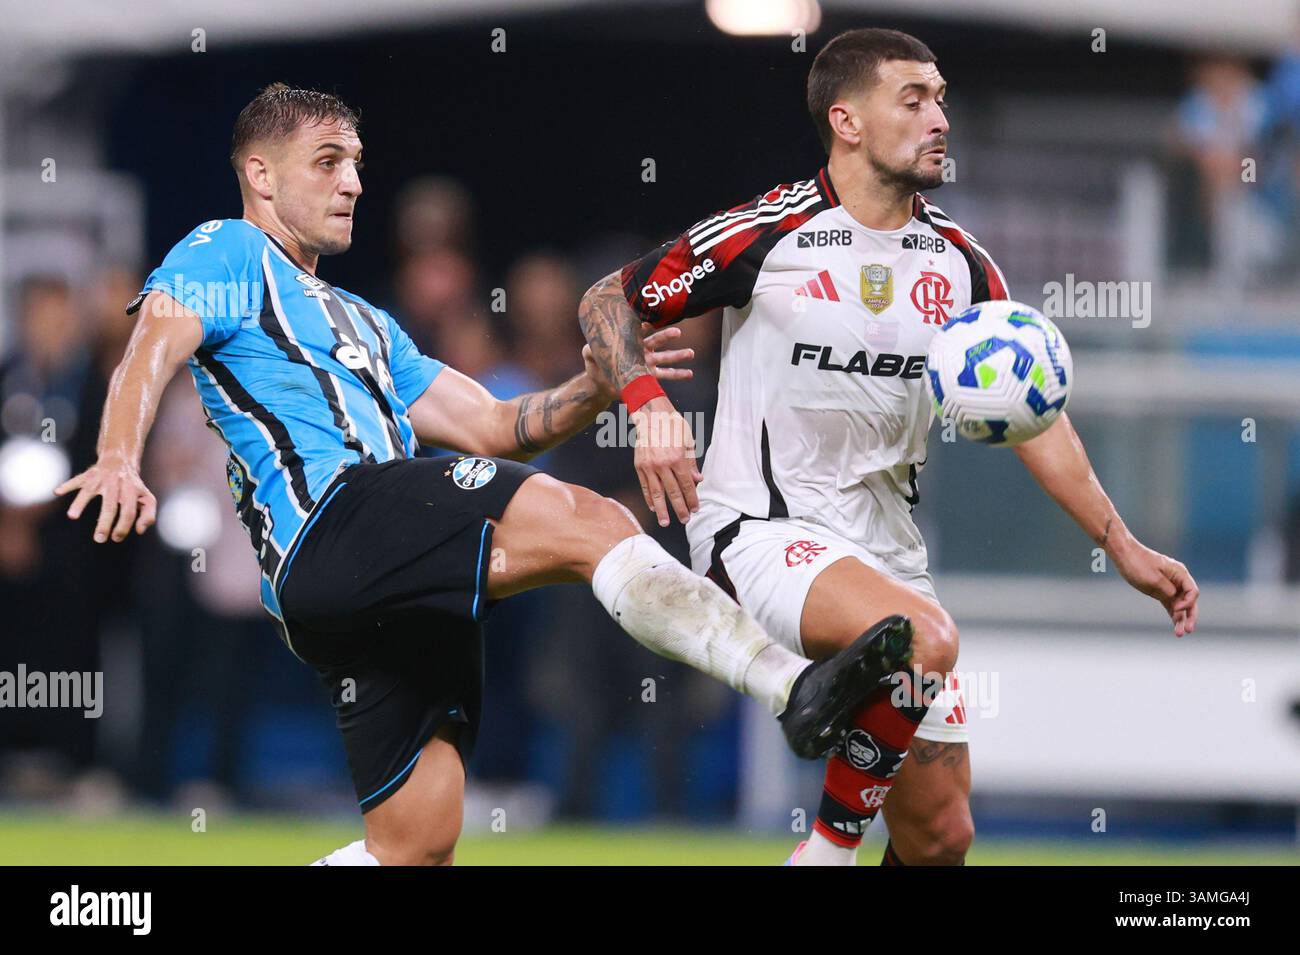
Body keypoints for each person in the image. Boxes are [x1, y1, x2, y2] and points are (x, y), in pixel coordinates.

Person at [54, 83, 911, 865]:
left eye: (356, 163)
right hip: (338, 522)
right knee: (593, 524)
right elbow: (152, 343)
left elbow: (497, 427)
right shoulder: (227, 250)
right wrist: (118, 457)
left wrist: (595, 383)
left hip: (368, 582)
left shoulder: (366, 323)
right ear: (260, 176)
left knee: (416, 846)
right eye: (327, 162)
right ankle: (790, 683)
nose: (352, 182)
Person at [578, 28, 1201, 866]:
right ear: (848, 120)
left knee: (942, 835)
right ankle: (827, 852)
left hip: (887, 551)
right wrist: (649, 406)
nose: (939, 117)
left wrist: (1120, 544)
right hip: (760, 527)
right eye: (913, 100)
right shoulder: (767, 235)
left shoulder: (963, 266)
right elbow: (607, 302)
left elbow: (1036, 417)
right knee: (926, 636)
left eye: (941, 98)